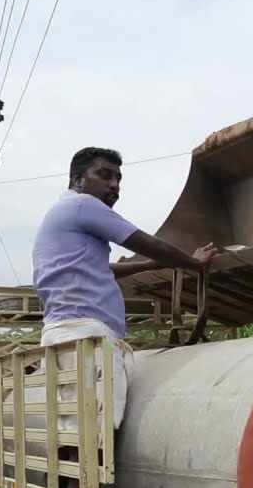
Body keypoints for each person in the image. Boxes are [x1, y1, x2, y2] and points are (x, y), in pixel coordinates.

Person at [31, 147, 218, 431]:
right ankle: (85, 478)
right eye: (104, 175)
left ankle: (72, 477)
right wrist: (194, 263)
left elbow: (103, 269)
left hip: (66, 334)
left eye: (118, 178)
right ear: (78, 178)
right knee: (94, 438)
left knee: (74, 435)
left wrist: (151, 266)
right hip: (87, 335)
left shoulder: (61, 214)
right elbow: (142, 241)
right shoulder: (83, 205)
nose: (114, 185)